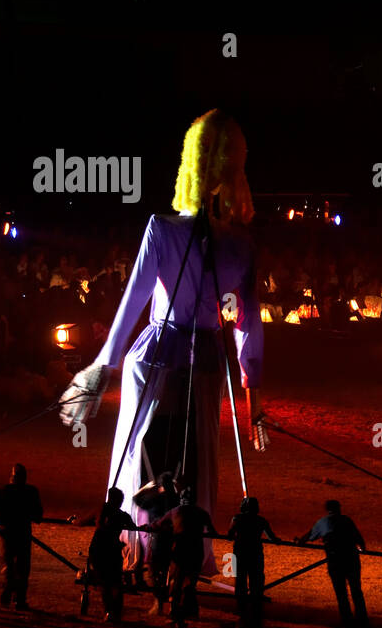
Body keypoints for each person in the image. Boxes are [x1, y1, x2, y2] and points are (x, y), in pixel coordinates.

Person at [59, 111, 268, 584]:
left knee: (145, 450)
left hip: (161, 352)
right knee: (188, 459)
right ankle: (172, 555)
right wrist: (255, 396)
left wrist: (103, 364)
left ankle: (147, 548)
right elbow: (247, 327)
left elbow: (131, 302)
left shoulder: (165, 228)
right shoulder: (238, 244)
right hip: (202, 356)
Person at [297, 500, 372, 628]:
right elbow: (359, 540)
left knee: (342, 595)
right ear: (339, 509)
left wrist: (300, 540)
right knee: (357, 593)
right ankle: (364, 627)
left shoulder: (323, 522)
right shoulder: (346, 520)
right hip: (351, 560)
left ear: (327, 510)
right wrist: (361, 547)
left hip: (335, 561)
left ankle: (349, 627)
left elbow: (309, 536)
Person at [151, 486, 216, 628]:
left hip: (180, 550)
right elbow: (212, 530)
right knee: (189, 583)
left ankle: (175, 614)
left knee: (177, 583)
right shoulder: (202, 513)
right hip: (196, 551)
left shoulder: (176, 511)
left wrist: (150, 527)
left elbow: (158, 524)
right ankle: (186, 613)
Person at [0, 463, 43, 609]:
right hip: (23, 531)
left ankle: (9, 586)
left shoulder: (2, 492)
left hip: (7, 532)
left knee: (9, 563)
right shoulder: (31, 492)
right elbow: (38, 516)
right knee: (23, 566)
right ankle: (20, 599)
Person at [228, 497, 277, 628]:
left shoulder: (237, 518)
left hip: (240, 555)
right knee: (257, 586)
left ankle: (243, 617)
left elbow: (229, 534)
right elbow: (272, 538)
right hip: (255, 556)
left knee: (240, 585)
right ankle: (256, 618)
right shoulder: (261, 521)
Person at [132, 472, 179, 613]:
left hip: (158, 538)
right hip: (173, 538)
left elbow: (136, 499)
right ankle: (170, 600)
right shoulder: (177, 499)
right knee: (167, 571)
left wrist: (146, 487)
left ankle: (158, 600)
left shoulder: (156, 499)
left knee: (153, 570)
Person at [88, 488, 136, 622]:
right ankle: (115, 612)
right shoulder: (122, 515)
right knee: (115, 582)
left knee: (105, 583)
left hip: (99, 550)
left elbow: (85, 521)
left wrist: (74, 520)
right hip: (113, 550)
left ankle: (109, 611)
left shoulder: (101, 510)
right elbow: (133, 526)